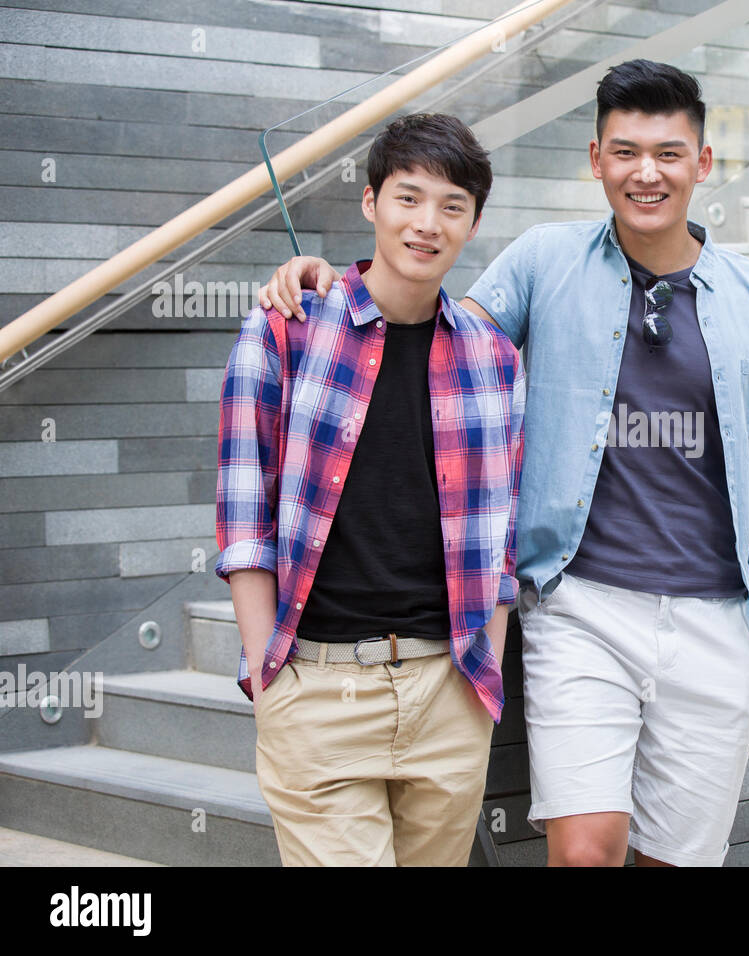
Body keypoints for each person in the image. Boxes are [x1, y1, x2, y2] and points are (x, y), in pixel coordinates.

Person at [258, 60, 749, 867]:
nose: (646, 172)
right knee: (586, 852)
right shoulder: (542, 261)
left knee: (677, 859)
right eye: (624, 152)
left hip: (717, 619)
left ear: (703, 164)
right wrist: (334, 286)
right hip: (579, 605)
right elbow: (428, 331)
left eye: (668, 152)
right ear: (596, 161)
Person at [216, 112, 525, 866]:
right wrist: (268, 674)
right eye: (408, 198)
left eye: (452, 206)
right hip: (318, 689)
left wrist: (482, 677)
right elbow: (243, 512)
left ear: (475, 221)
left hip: (447, 690)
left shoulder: (494, 358)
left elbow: (502, 539)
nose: (427, 223)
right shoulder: (287, 329)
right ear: (370, 202)